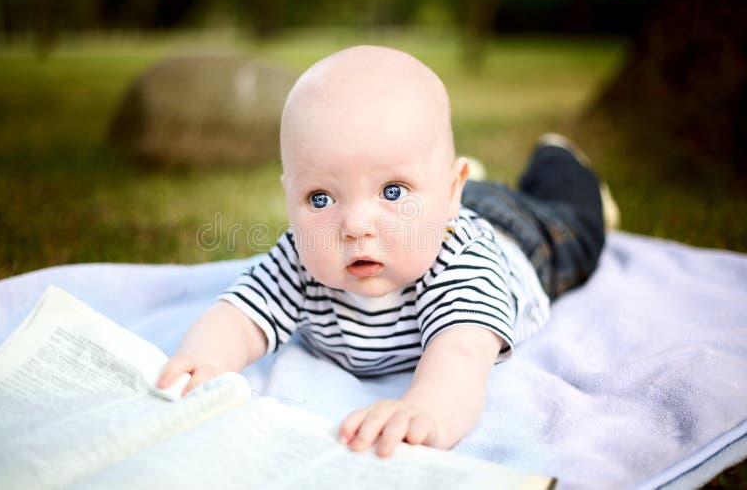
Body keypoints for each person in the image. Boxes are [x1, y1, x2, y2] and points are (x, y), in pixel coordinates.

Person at [157, 45, 617, 457]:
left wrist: (424, 411)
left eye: (392, 190)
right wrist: (202, 359)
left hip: (519, 235)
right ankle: (426, 183)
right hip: (432, 209)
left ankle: (559, 159)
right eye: (320, 198)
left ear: (448, 192)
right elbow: (240, 316)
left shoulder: (462, 262)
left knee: (576, 224)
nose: (355, 226)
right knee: (416, 185)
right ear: (289, 198)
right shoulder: (304, 253)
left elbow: (461, 355)